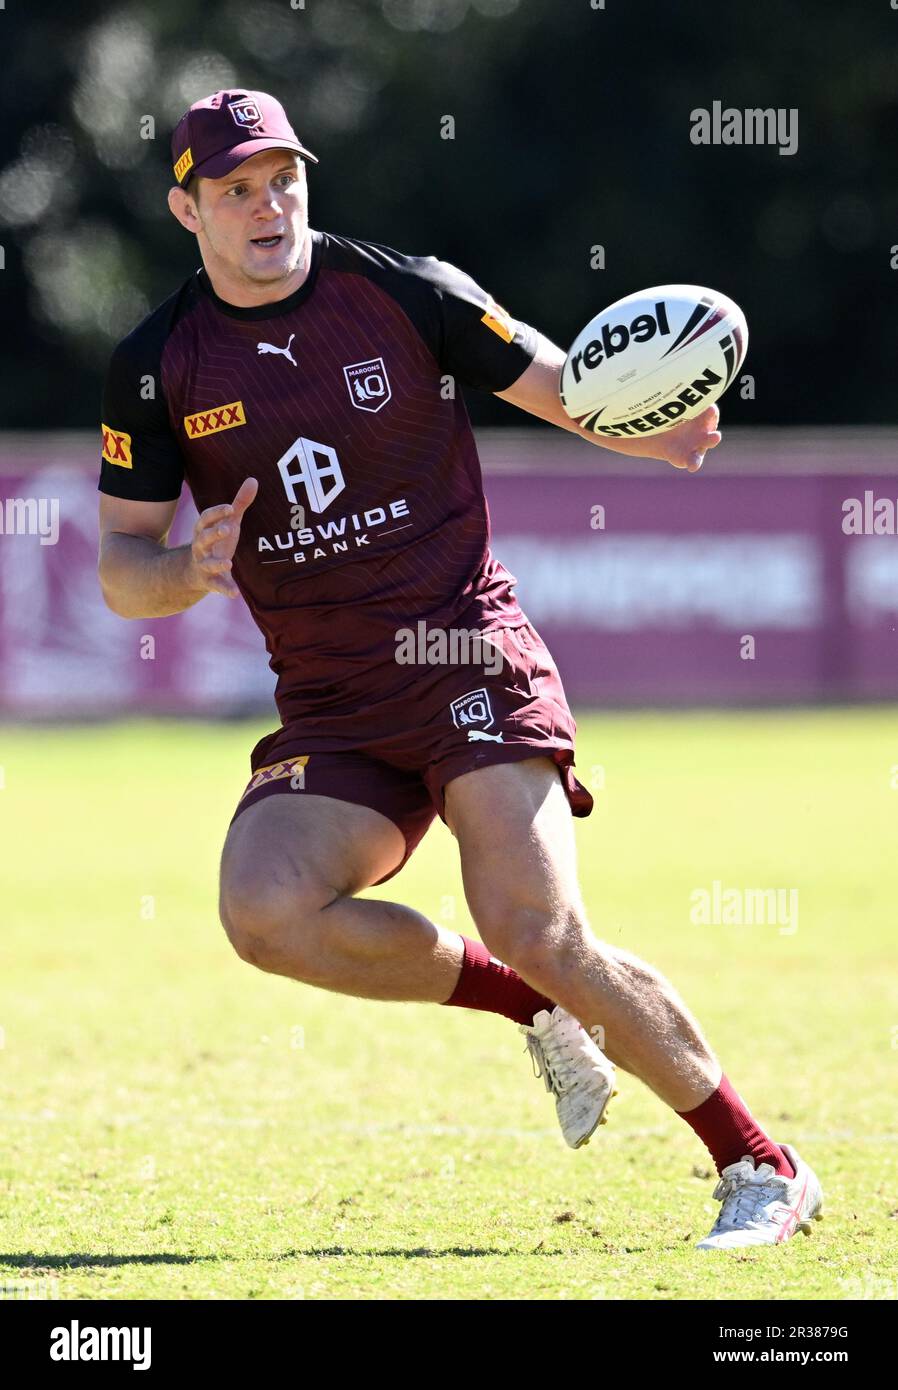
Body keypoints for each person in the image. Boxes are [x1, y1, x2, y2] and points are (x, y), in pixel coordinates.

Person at [97, 89, 822, 1248]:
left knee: (538, 921)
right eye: (235, 189)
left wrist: (654, 427)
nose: (267, 204)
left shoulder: (406, 289)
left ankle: (761, 1163)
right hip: (331, 703)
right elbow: (122, 568)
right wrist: (188, 567)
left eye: (282, 177)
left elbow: (563, 387)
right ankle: (528, 1006)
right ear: (187, 209)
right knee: (263, 911)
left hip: (463, 657)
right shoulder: (155, 364)